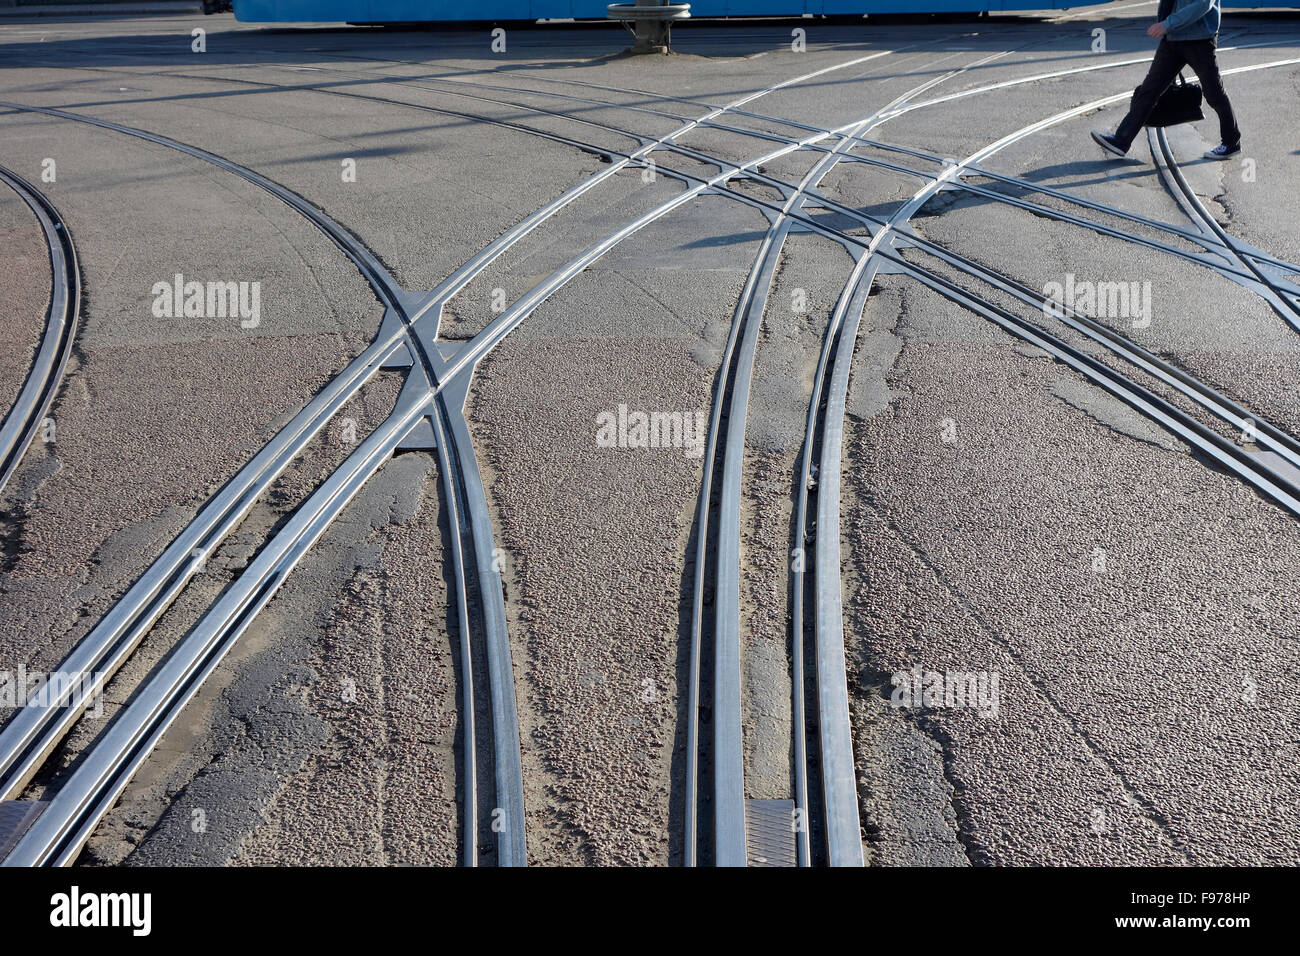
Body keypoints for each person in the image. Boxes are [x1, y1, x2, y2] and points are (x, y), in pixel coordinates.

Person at [1092, 0, 1241, 161]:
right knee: (1149, 90)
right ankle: (1121, 141)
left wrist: (1167, 24)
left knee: (1214, 93)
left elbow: (1203, 4)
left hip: (1199, 39)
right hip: (1172, 38)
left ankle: (1231, 142)